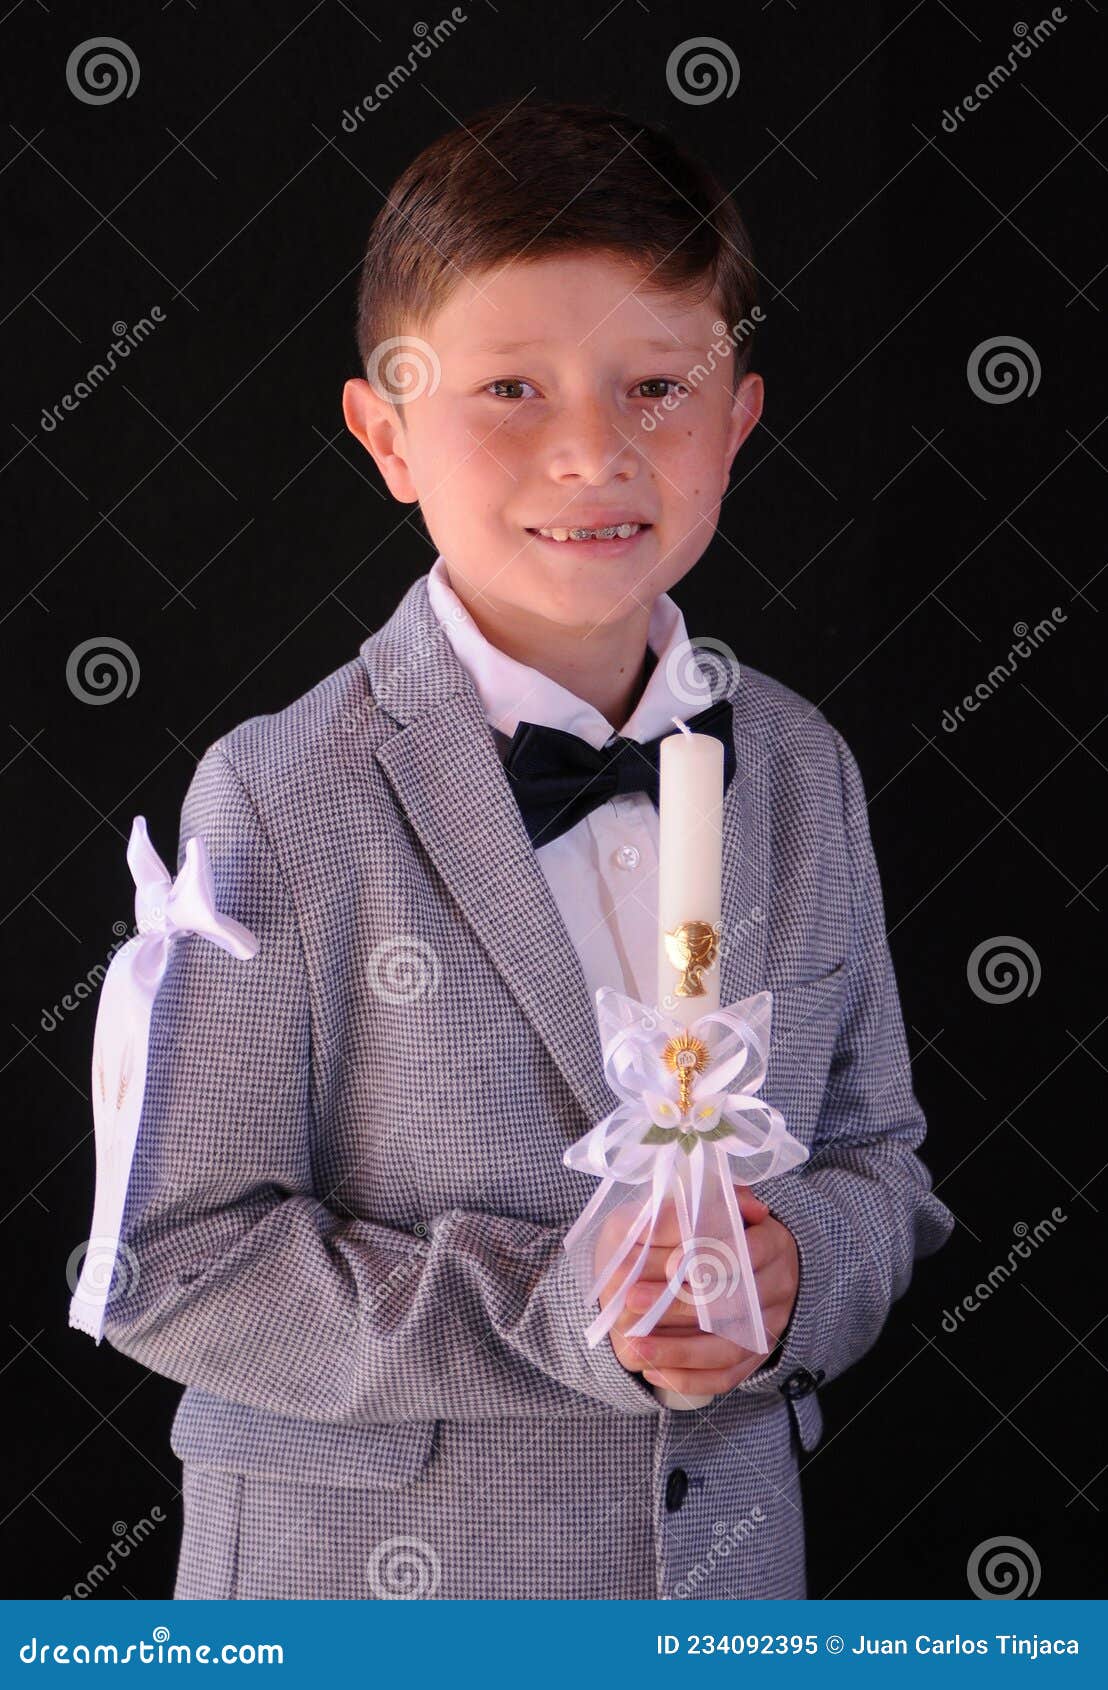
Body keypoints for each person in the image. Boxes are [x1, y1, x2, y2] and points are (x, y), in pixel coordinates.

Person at [98, 96, 953, 1601]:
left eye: (655, 388)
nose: (592, 452)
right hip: (366, 1595)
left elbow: (882, 1159)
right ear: (387, 434)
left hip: (718, 1595)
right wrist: (568, 1312)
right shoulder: (279, 795)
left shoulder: (805, 772)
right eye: (509, 388)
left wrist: (797, 1264)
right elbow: (179, 1264)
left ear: (737, 418)